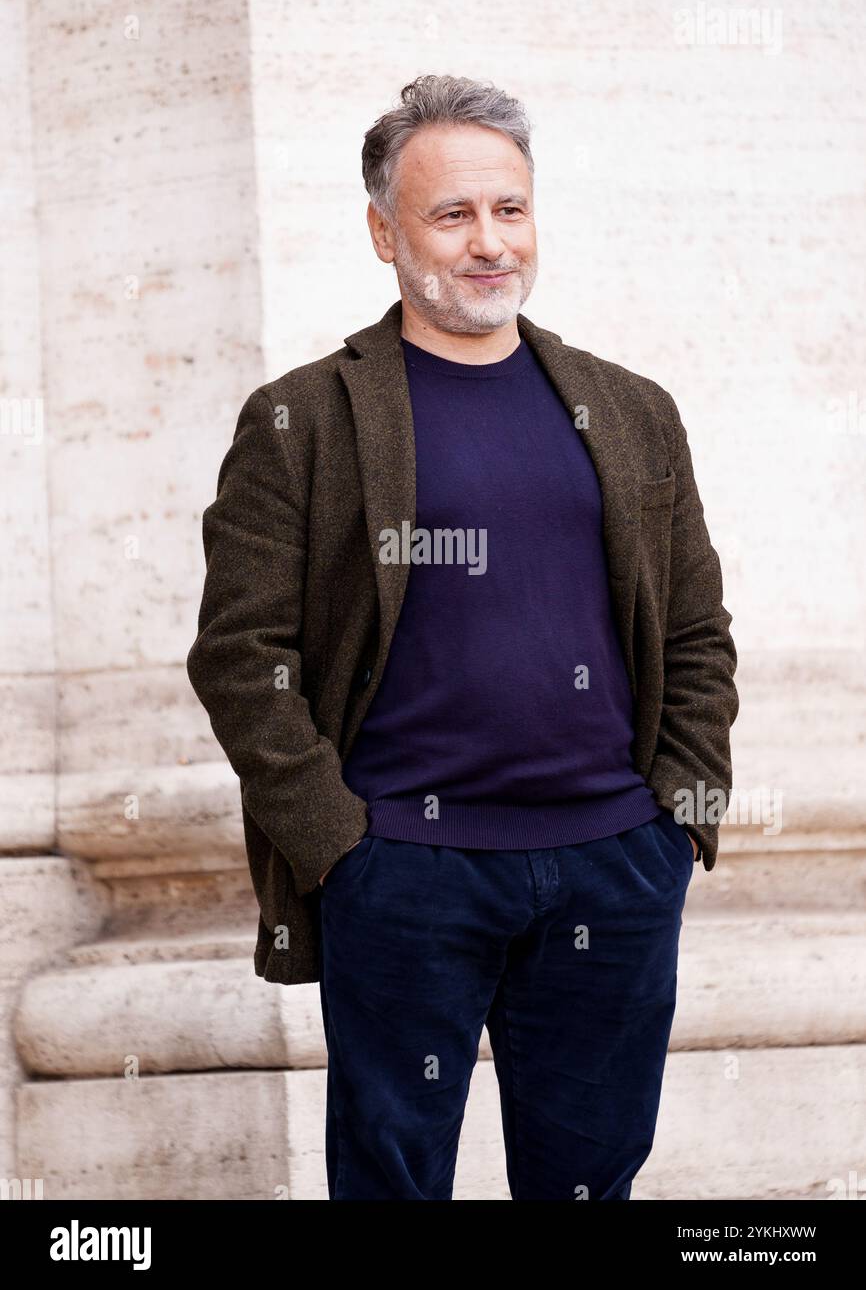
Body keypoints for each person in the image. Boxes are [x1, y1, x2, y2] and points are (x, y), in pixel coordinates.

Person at [187, 74, 738, 1201]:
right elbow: (241, 657)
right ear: (384, 233)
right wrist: (337, 845)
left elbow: (694, 632)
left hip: (611, 867)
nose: (489, 243)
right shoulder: (301, 423)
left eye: (509, 210)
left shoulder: (628, 409)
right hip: (401, 872)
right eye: (451, 215)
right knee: (391, 1184)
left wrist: (675, 822)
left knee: (589, 1181)